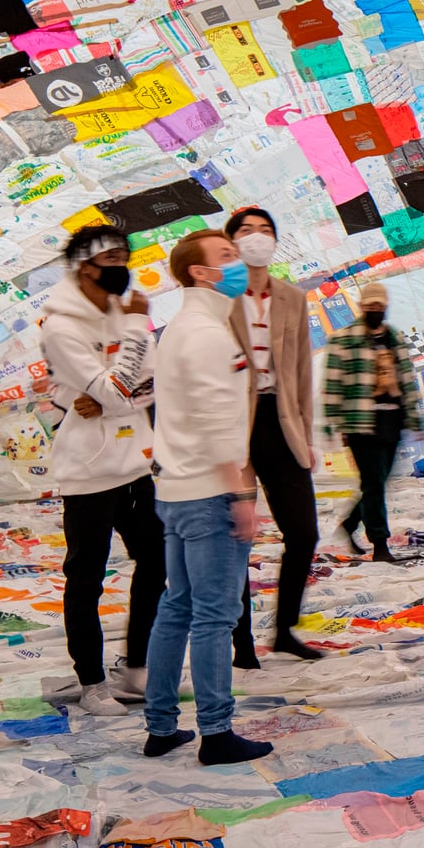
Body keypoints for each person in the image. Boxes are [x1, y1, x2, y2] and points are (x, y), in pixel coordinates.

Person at [144, 229, 270, 765]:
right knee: (216, 617)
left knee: (176, 607)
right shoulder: (209, 333)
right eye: (226, 256)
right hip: (209, 492)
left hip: (174, 489)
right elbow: (221, 419)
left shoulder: (177, 329)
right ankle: (217, 733)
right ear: (199, 272)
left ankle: (161, 727)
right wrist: (241, 491)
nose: (238, 261)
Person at [41, 226, 163, 718]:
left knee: (159, 561)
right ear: (84, 266)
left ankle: (136, 665)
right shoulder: (60, 326)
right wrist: (135, 335)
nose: (120, 263)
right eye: (109, 256)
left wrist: (107, 395)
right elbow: (112, 392)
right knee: (85, 578)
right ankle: (91, 681)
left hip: (135, 465)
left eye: (123, 254)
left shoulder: (120, 313)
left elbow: (148, 386)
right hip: (89, 474)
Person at [221, 207, 322, 666]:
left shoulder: (291, 298)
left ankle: (284, 630)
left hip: (280, 421)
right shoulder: (219, 297)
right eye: (247, 231)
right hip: (233, 426)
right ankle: (240, 642)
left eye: (265, 230)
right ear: (231, 243)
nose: (257, 238)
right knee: (237, 537)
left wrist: (306, 432)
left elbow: (300, 369)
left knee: (303, 532)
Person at [322, 283, 421, 565]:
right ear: (362, 307)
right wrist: (335, 425)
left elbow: (406, 378)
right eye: (371, 306)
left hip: (391, 419)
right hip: (360, 421)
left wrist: (412, 416)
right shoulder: (343, 340)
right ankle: (380, 544)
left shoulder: (394, 338)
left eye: (380, 306)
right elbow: (332, 385)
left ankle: (350, 524)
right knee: (374, 483)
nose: (376, 311)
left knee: (377, 481)